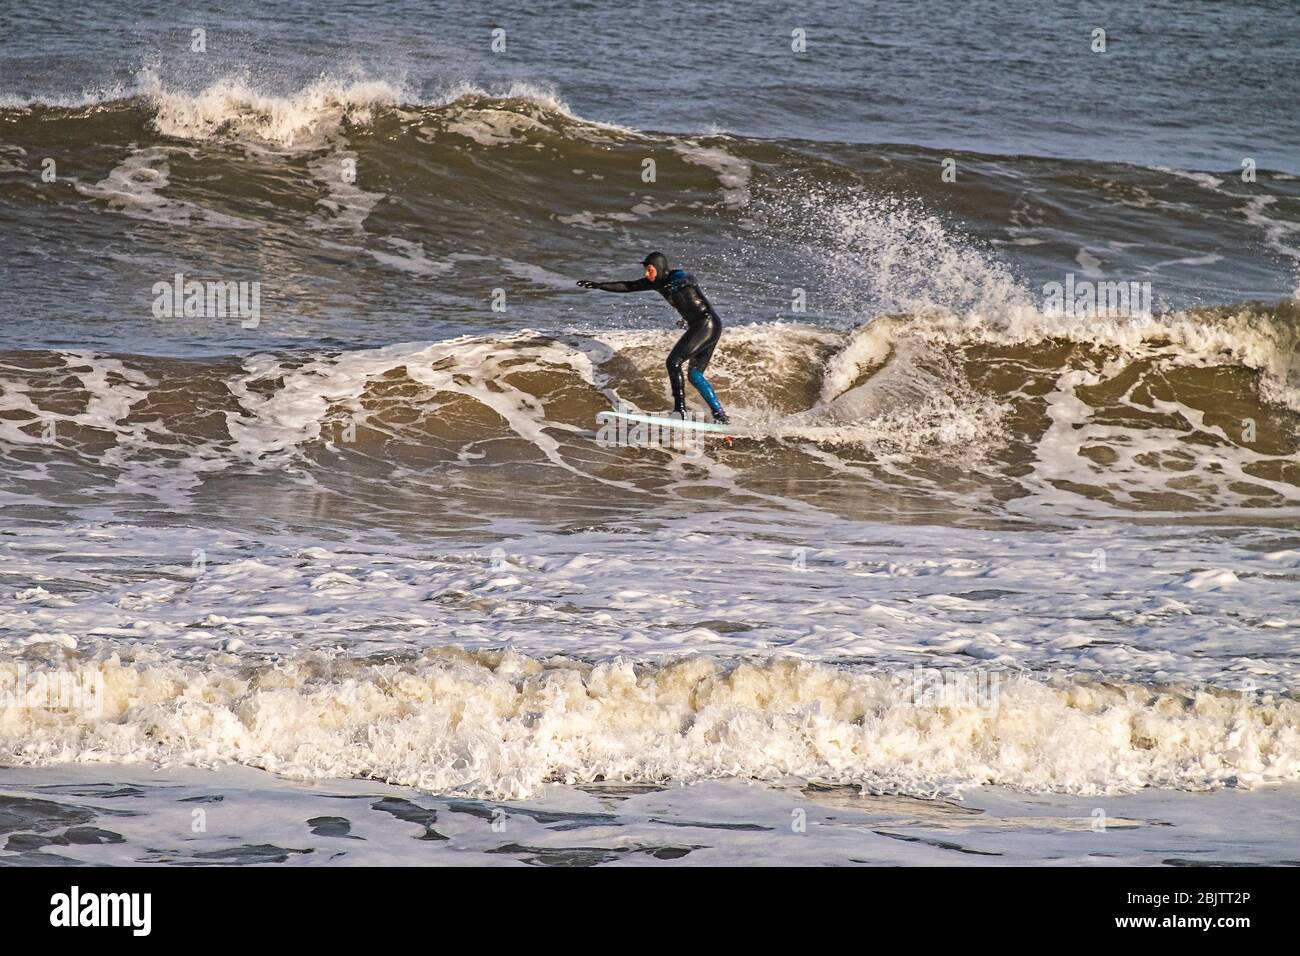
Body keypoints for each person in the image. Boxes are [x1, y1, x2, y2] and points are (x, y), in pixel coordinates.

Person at [577, 252, 729, 423]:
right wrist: (598, 285)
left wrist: (679, 284)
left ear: (659, 267)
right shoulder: (656, 283)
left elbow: (688, 278)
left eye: (649, 270)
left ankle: (680, 412)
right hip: (707, 326)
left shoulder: (676, 276)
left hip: (706, 324)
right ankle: (720, 416)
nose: (646, 274)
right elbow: (627, 286)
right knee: (695, 375)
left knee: (674, 362)